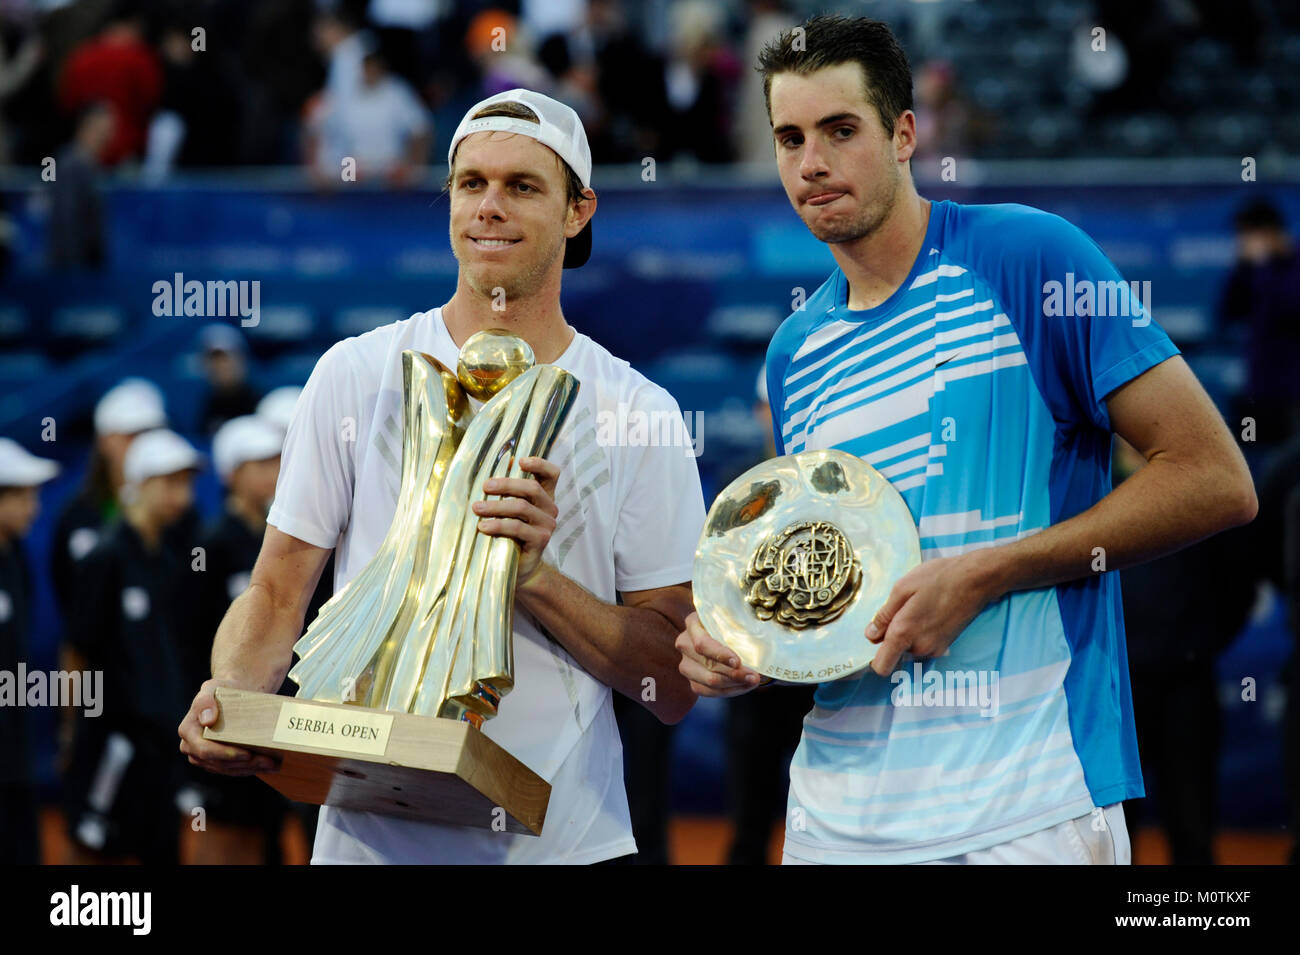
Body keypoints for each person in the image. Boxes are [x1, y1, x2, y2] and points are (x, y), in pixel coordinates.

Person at [676, 15, 1258, 865]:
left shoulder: (1031, 257)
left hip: (1026, 807)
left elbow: (1214, 478)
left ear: (906, 133)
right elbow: (839, 594)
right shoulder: (792, 354)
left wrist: (989, 572)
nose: (811, 164)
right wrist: (750, 643)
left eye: (842, 130)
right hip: (835, 823)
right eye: (790, 137)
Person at [179, 88, 706, 864]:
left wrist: (537, 578)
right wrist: (231, 691)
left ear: (578, 210)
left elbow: (674, 682)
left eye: (523, 186)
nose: (490, 206)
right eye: (471, 184)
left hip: (564, 846)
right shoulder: (353, 374)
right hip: (365, 841)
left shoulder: (641, 410)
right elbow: (277, 590)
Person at [63, 429, 203, 864]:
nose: (183, 495)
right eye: (171, 482)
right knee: (96, 850)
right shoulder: (105, 556)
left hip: (160, 747)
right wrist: (73, 732)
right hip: (111, 744)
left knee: (161, 849)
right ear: (140, 484)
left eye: (188, 483)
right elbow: (76, 651)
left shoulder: (168, 558)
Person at [183, 415, 291, 864]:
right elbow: (189, 636)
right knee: (226, 840)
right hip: (222, 715)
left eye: (276, 460)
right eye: (259, 463)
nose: (274, 471)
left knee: (269, 839)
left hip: (275, 717)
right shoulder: (210, 543)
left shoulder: (280, 542)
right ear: (231, 474)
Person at [0, 438, 60, 865]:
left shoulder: (17, 556)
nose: (33, 507)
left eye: (34, 495)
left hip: (15, 746)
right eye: (21, 495)